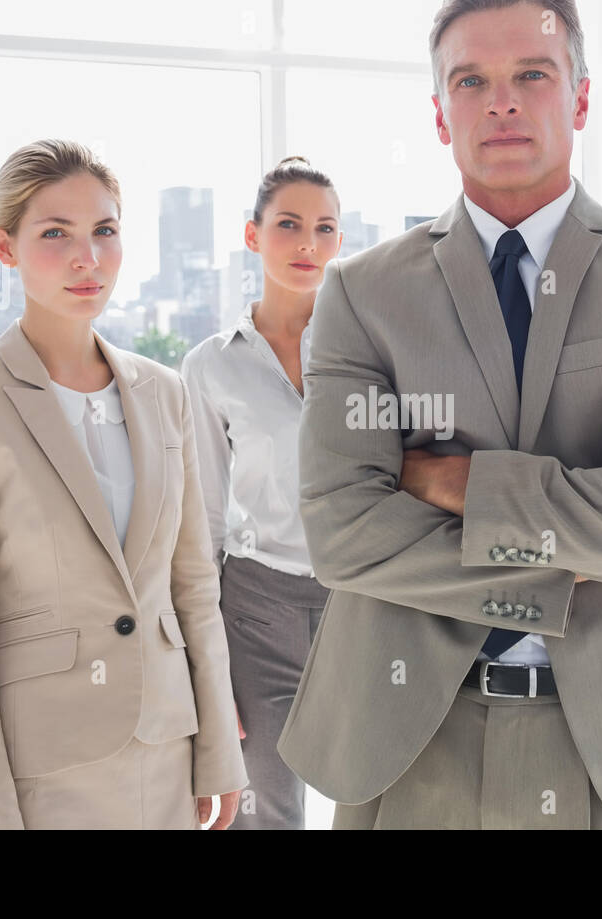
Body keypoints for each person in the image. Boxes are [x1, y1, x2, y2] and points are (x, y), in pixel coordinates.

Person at [276, 0, 602, 829]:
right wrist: (597, 522)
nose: (501, 101)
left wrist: (458, 484)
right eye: (472, 81)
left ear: (578, 99)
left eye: (530, 75)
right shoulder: (362, 293)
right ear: (440, 113)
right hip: (411, 741)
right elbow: (343, 531)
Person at [0, 139, 247, 829]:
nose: (86, 257)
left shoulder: (165, 392)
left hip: (167, 757)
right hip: (45, 775)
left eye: (104, 231)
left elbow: (193, 588)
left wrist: (218, 753)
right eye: (55, 233)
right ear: (6, 248)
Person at [181, 155, 343, 829]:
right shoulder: (211, 364)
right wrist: (211, 667)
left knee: (387, 789)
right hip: (258, 608)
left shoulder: (367, 351)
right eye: (289, 224)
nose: (308, 243)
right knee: (264, 806)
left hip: (359, 598)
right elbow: (204, 521)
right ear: (253, 236)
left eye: (325, 228)